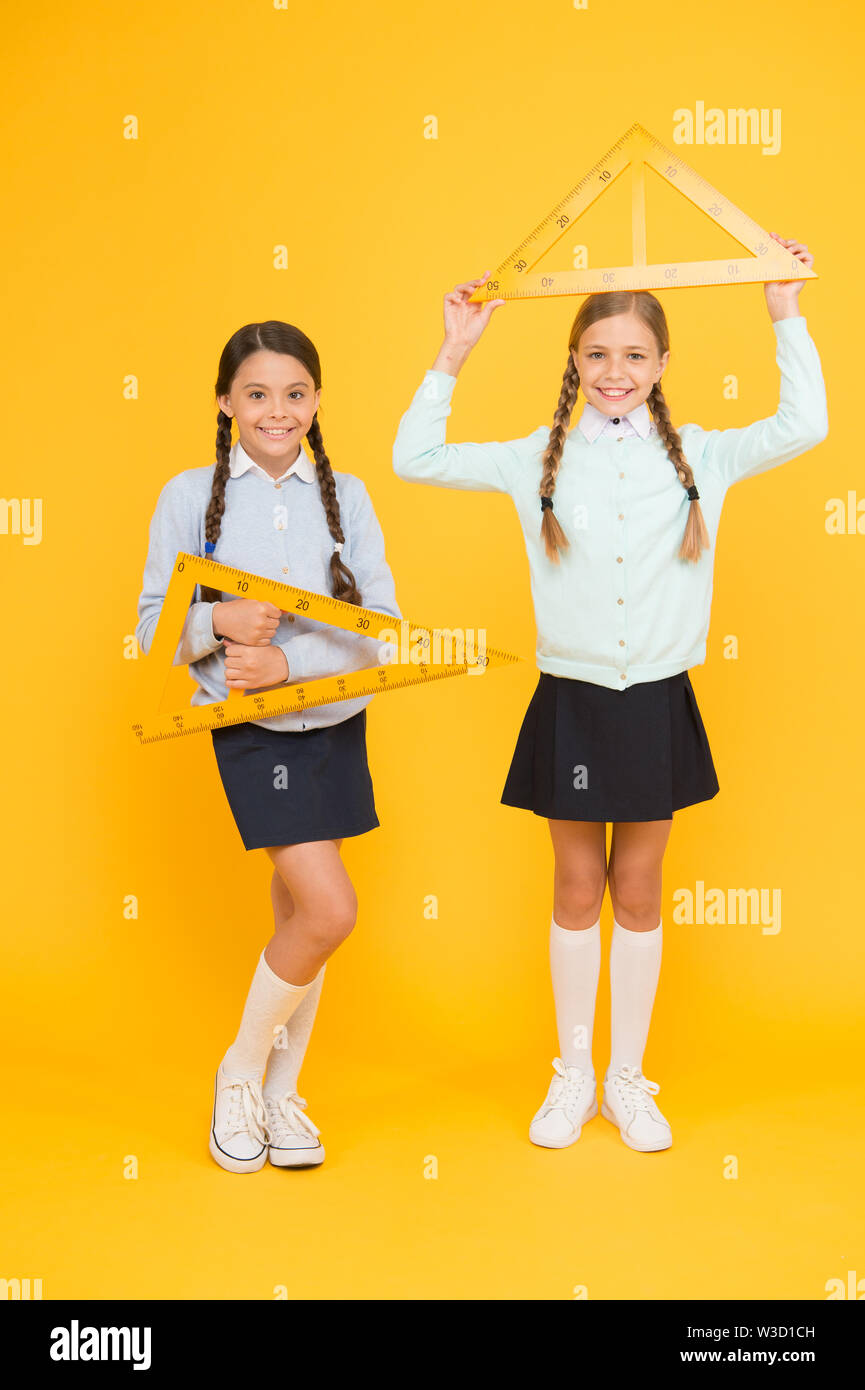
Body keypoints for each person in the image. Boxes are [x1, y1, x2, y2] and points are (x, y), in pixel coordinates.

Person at [392, 236, 827, 1152]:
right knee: (576, 887)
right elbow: (414, 456)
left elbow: (804, 425)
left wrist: (783, 308)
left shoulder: (700, 455)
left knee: (637, 890)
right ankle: (574, 1073)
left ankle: (627, 1079)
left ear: (663, 364)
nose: (615, 371)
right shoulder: (533, 460)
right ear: (574, 364)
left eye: (634, 355)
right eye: (596, 355)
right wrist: (455, 349)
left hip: (655, 701)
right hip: (574, 702)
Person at [136, 320, 401, 1173]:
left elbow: (383, 632)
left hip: (333, 728)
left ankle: (282, 1097)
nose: (276, 411)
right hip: (253, 737)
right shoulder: (187, 494)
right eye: (256, 394)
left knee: (299, 920)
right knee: (330, 912)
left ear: (316, 401)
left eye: (294, 394)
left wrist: (289, 656)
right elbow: (151, 629)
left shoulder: (346, 495)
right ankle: (239, 1076)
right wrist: (214, 619)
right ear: (225, 402)